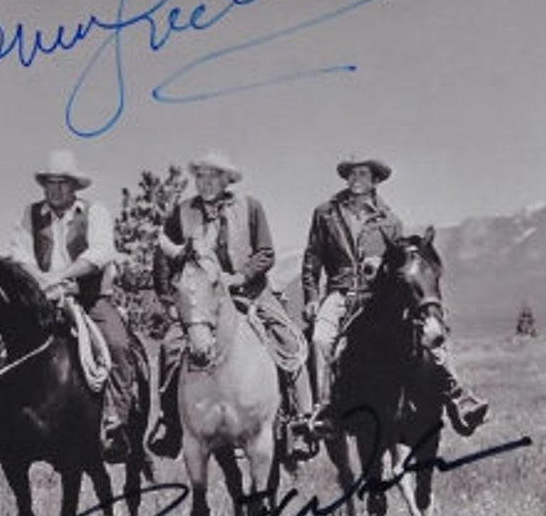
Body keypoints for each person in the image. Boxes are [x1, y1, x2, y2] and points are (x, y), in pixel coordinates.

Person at [300, 157, 488, 439]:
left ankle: (457, 395)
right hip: (340, 292)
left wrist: (381, 263)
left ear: (375, 180)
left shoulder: (391, 221)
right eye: (351, 174)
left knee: (432, 332)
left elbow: (400, 262)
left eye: (363, 174)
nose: (356, 179)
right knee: (320, 339)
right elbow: (312, 258)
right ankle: (324, 409)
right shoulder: (325, 213)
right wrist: (312, 296)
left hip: (378, 295)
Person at [149, 149, 306, 459]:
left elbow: (265, 253)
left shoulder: (249, 208)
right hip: (200, 301)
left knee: (289, 340)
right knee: (170, 347)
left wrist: (239, 277)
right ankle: (171, 424)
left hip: (249, 292)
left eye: (213, 176)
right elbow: (162, 260)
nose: (206, 183)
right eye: (201, 176)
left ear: (226, 180)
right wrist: (169, 300)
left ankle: (300, 420)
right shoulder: (181, 213)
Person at [0, 148, 137, 464]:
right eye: (49, 183)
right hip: (40, 297)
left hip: (89, 297)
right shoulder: (31, 215)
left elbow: (100, 253)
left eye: (62, 183)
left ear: (74, 186)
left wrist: (61, 276)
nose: (54, 189)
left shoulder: (93, 212)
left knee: (118, 344)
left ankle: (115, 421)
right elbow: (20, 253)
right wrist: (40, 281)